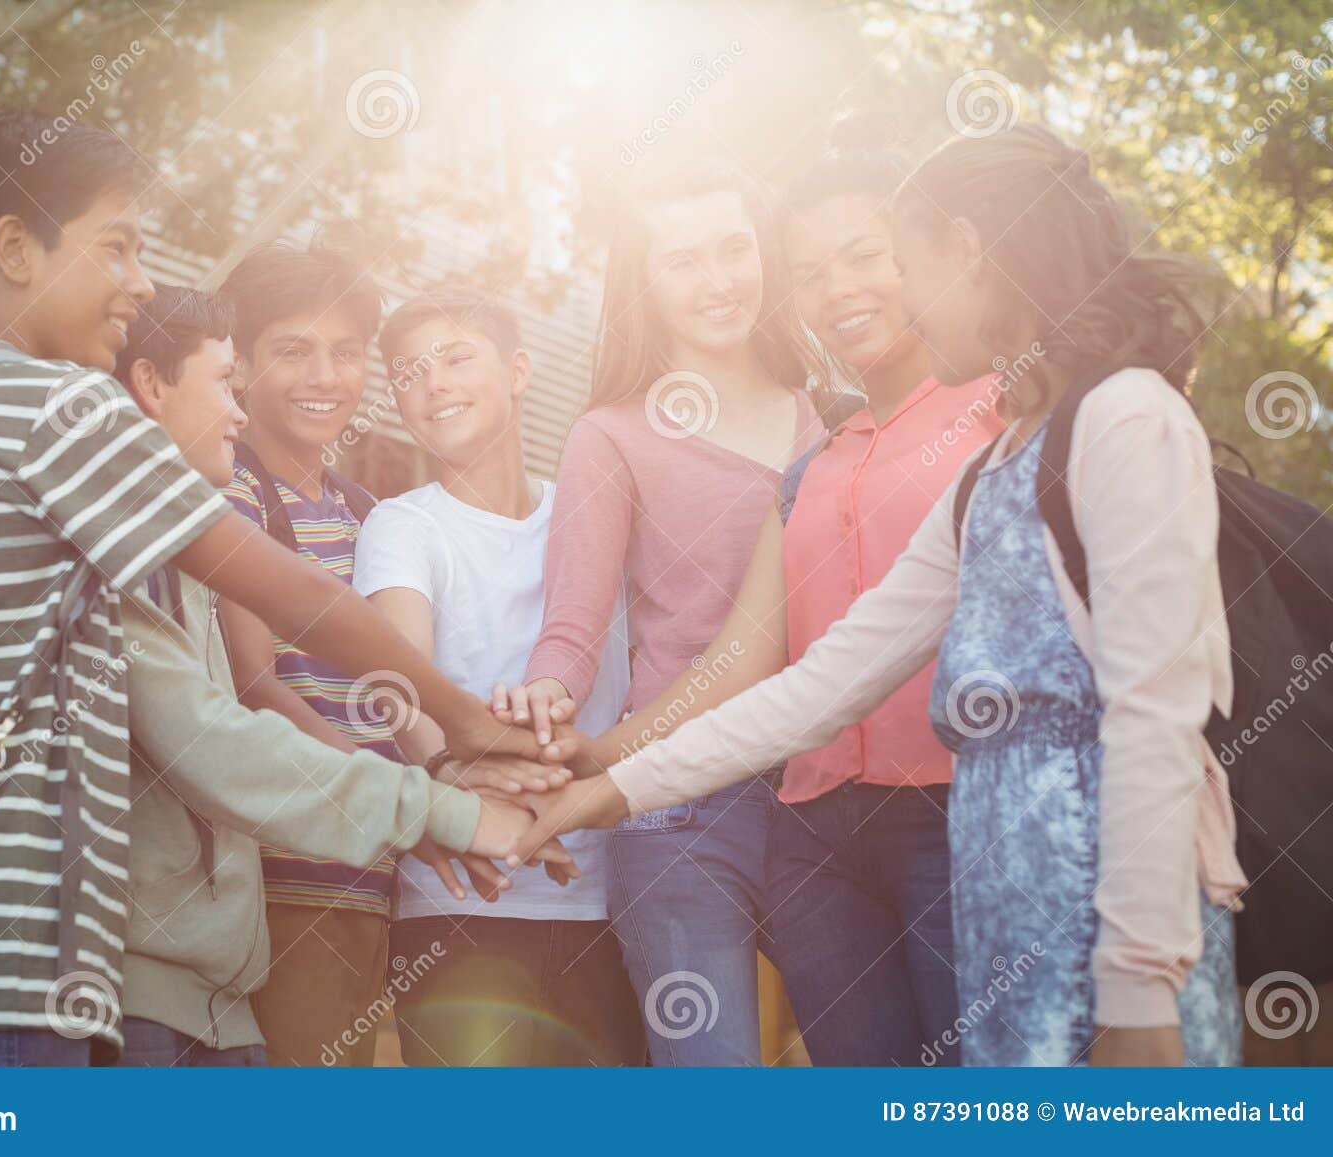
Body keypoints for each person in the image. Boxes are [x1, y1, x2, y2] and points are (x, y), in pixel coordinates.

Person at [0, 110, 552, 1066]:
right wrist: (459, 735)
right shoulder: (58, 409)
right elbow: (269, 624)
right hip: (21, 985)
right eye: (117, 247)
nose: (142, 280)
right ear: (15, 250)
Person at [510, 124, 1247, 1069]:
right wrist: (607, 791)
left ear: (967, 256)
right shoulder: (987, 470)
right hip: (1002, 911)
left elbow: (1156, 714)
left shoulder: (1126, 416)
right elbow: (822, 683)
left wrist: (1140, 989)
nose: (877, 294)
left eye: (897, 260)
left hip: (1114, 920)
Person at [109, 284, 521, 1066]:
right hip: (291, 869)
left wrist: (431, 786)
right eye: (290, 351)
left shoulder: (370, 510)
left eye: (346, 353)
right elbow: (253, 682)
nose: (323, 376)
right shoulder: (223, 492)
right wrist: (414, 802)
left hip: (374, 863)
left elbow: (395, 683)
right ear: (245, 370)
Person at [493, 161, 830, 1065]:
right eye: (682, 261)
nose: (718, 281)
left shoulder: (831, 417)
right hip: (674, 800)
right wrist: (542, 707)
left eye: (733, 249)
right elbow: (571, 629)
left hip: (830, 792)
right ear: (644, 283)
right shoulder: (611, 433)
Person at [354, 287, 646, 1066]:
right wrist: (452, 766)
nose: (436, 383)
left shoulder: (596, 512)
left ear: (518, 371)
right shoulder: (402, 526)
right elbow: (399, 680)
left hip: (610, 902)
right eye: (411, 373)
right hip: (458, 908)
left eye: (457, 357)